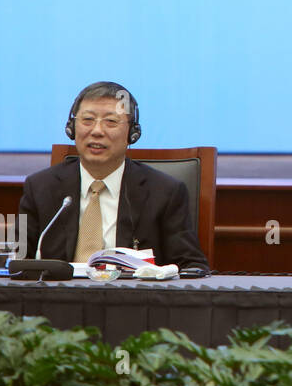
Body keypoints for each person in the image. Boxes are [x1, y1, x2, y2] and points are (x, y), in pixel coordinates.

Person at [18, 81, 209, 272]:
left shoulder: (164, 192)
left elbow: (191, 268)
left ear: (132, 134)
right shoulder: (40, 187)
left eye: (111, 121)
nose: (97, 131)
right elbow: (14, 261)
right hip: (59, 299)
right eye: (88, 120)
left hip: (132, 298)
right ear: (72, 128)